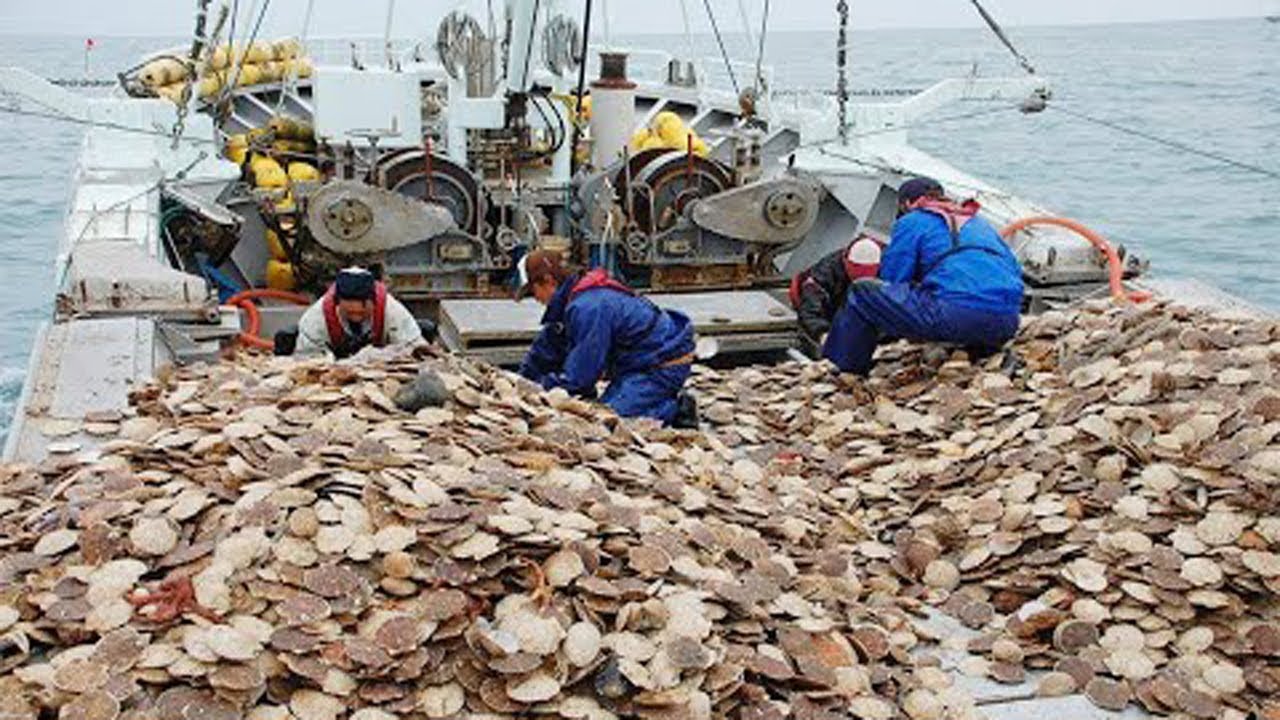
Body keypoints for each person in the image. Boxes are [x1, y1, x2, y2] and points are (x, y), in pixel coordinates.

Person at [822, 177, 1024, 376]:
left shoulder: (912, 221)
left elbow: (893, 279)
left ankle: (842, 369)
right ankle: (976, 348)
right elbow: (1014, 271)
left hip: (955, 316)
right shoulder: (981, 224)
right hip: (1006, 322)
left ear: (907, 204)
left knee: (863, 292)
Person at [516, 250, 696, 425]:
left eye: (533, 291)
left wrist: (543, 387)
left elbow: (580, 377)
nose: (535, 299)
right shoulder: (571, 300)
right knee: (599, 410)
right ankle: (645, 397)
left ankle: (677, 409)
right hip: (635, 363)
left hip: (661, 364)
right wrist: (521, 381)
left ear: (548, 280)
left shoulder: (588, 308)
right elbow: (549, 345)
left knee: (610, 420)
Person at [295, 267, 423, 358]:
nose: (356, 318)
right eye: (349, 313)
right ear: (337, 303)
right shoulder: (315, 319)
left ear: (374, 301)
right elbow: (306, 360)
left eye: (362, 313)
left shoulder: (392, 311)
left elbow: (416, 349)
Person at [789, 233, 884, 345]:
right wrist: (822, 334)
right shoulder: (824, 274)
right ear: (847, 264)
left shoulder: (884, 273)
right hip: (823, 311)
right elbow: (810, 310)